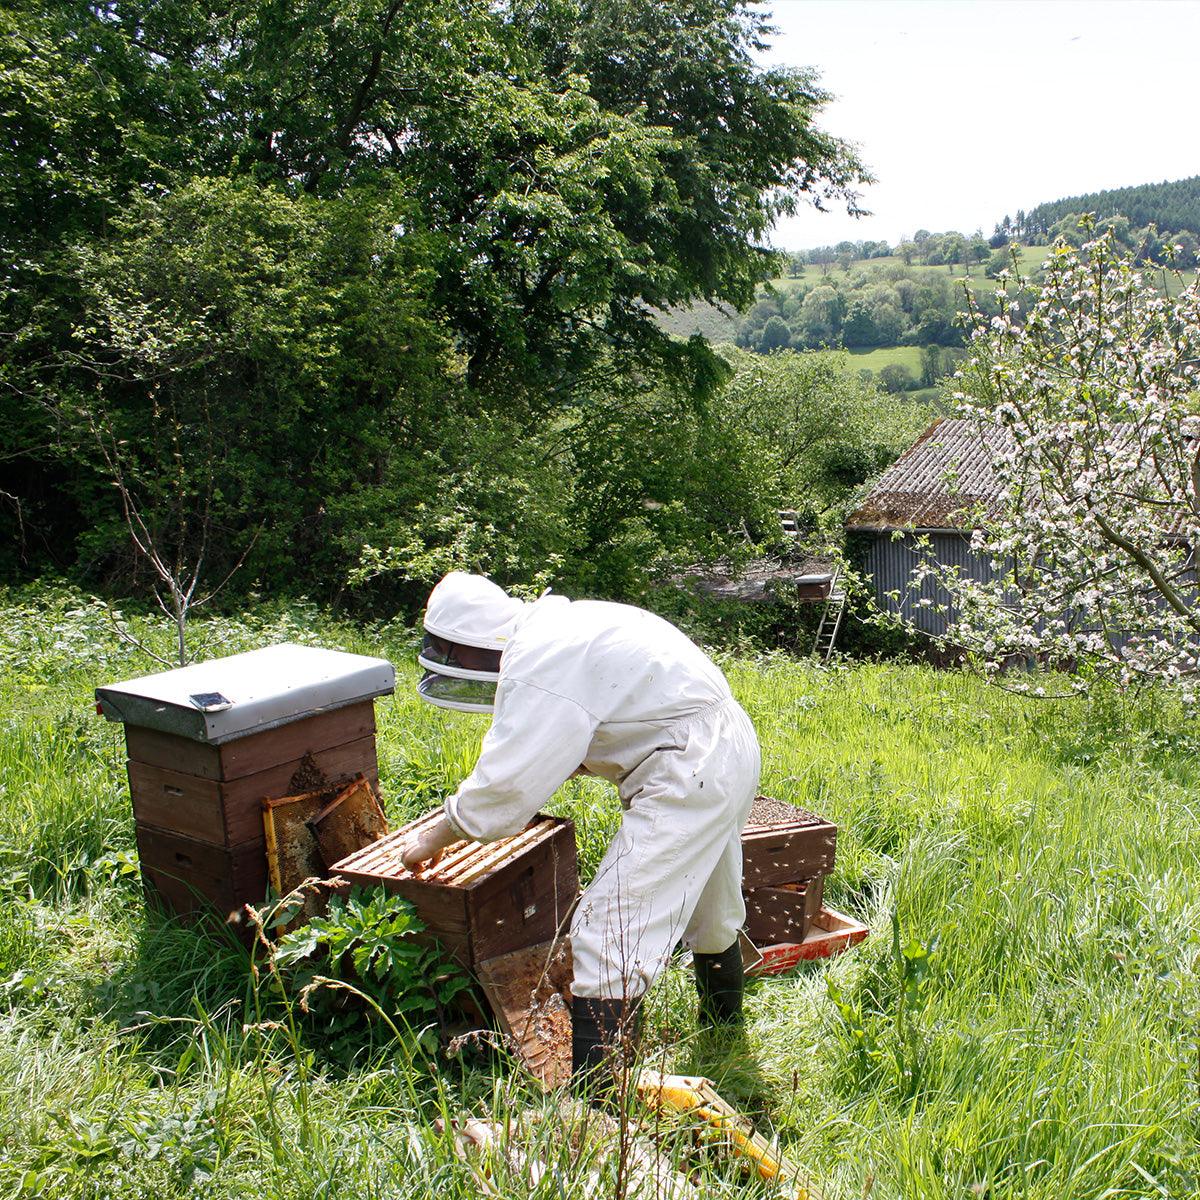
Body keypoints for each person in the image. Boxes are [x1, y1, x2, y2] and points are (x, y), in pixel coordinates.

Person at [402, 571, 761, 1088]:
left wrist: (434, 836)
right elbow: (607, 717)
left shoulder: (537, 661)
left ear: (467, 646)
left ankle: (597, 1105)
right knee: (712, 908)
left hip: (689, 765)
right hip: (725, 746)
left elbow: (499, 794)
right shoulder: (563, 628)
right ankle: (725, 1035)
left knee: (607, 929)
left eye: (455, 658)